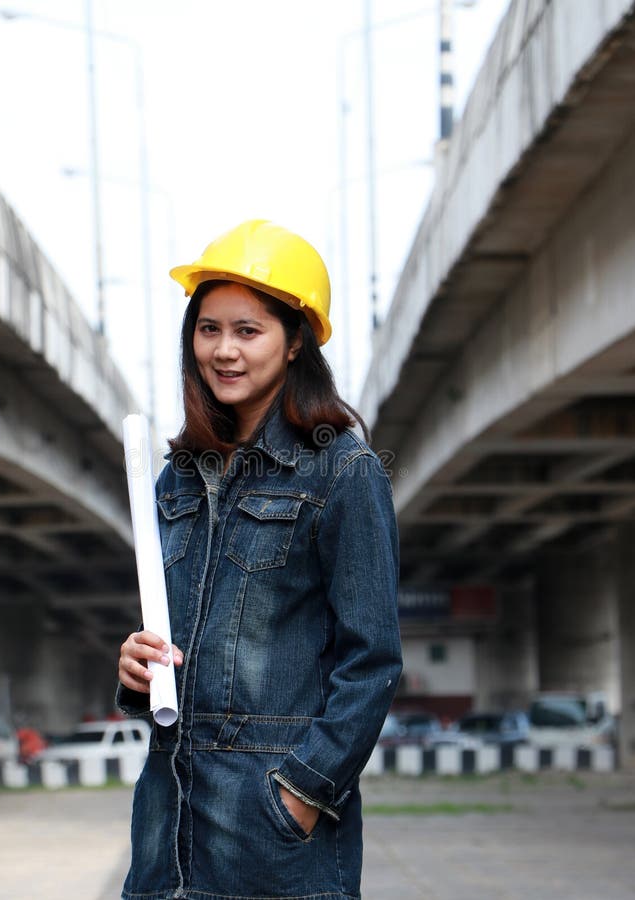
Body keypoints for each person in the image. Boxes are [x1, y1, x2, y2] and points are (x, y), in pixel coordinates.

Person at [117, 219, 402, 900]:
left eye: (248, 330)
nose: (223, 350)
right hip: (168, 825)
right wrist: (135, 671)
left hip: (273, 834)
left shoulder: (341, 470)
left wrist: (301, 793)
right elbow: (176, 642)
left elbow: (371, 662)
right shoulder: (176, 480)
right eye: (208, 328)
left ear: (295, 338)